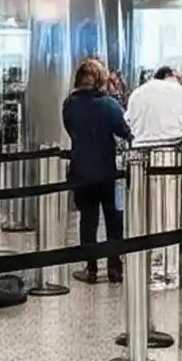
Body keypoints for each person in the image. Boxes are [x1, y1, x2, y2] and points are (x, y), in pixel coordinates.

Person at [63, 59, 132, 283]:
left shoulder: (69, 104)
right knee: (113, 217)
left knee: (88, 218)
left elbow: (70, 129)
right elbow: (125, 131)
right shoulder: (109, 105)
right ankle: (114, 267)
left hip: (81, 169)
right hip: (108, 170)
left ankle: (91, 268)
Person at [124, 66, 182, 146]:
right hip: (174, 148)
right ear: (169, 75)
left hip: (140, 148)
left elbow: (128, 122)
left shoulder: (136, 94)